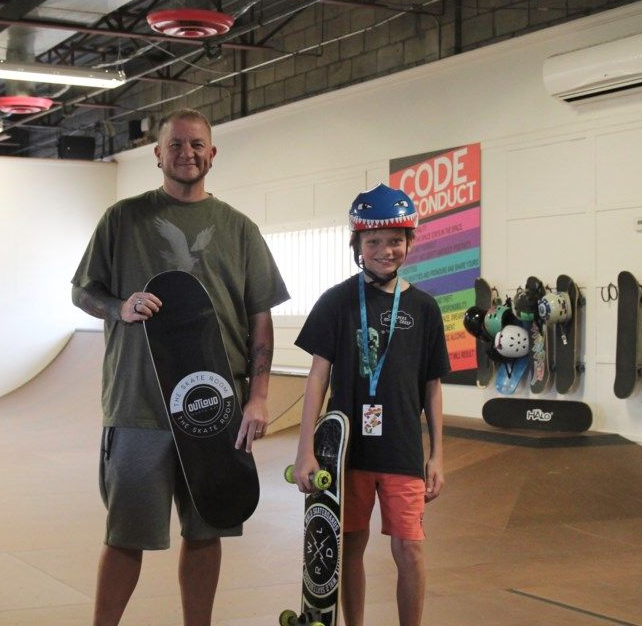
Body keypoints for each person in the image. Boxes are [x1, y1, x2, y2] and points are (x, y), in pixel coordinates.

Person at [71, 108, 289, 626]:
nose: (187, 154)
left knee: (207, 528)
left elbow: (260, 318)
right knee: (126, 534)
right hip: (138, 405)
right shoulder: (122, 219)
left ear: (212, 154)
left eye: (197, 145)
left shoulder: (239, 229)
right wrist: (119, 307)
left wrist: (257, 397)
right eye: (176, 145)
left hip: (213, 409)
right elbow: (83, 290)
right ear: (157, 154)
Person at [290, 183, 450, 626]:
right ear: (357, 245)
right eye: (373, 241)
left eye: (395, 240)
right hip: (348, 453)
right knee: (350, 547)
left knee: (410, 547)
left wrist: (437, 454)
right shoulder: (338, 300)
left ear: (409, 242)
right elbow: (318, 375)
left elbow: (432, 386)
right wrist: (306, 449)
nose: (385, 250)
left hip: (401, 450)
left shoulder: (424, 307)